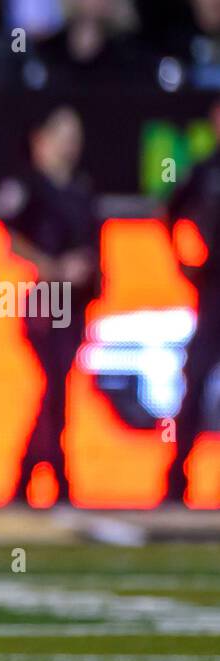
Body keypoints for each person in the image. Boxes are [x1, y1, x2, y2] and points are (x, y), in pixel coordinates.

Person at [0, 106, 102, 506]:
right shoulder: (29, 184)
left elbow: (94, 241)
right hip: (46, 299)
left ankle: (33, 479)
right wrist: (55, 267)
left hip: (77, 302)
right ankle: (53, 481)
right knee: (53, 387)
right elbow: (11, 238)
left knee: (56, 390)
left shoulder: (83, 185)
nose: (69, 144)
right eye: (62, 134)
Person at [163, 98, 220, 503]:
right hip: (215, 289)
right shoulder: (206, 170)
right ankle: (176, 481)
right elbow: (169, 211)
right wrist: (184, 263)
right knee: (196, 379)